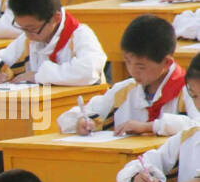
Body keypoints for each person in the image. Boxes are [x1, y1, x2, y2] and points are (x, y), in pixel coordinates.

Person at [58, 15, 197, 136]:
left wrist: (150, 127)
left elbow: (196, 125)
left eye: (140, 66)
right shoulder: (124, 90)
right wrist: (81, 121)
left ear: (166, 63)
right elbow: (70, 117)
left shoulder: (190, 91)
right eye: (128, 62)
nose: (132, 71)